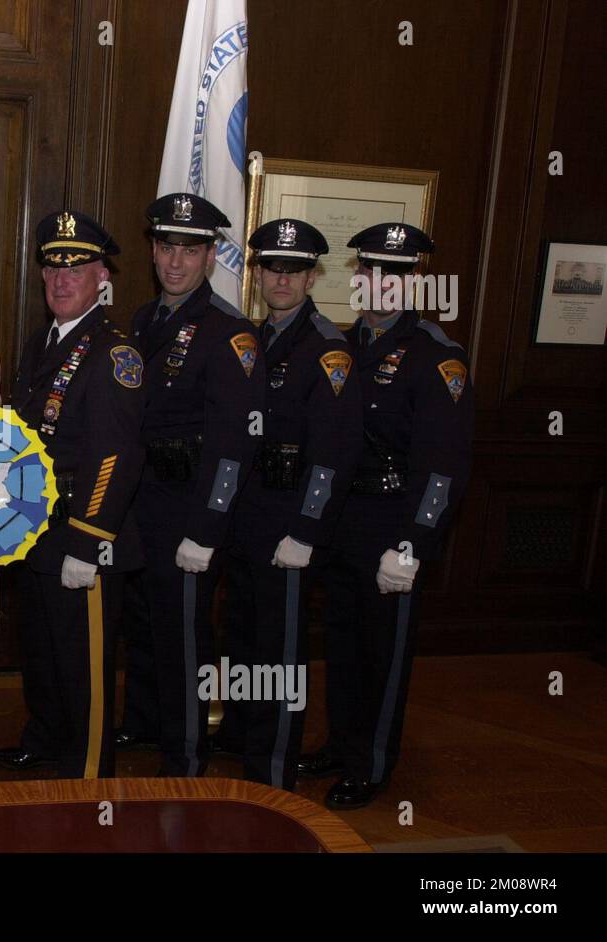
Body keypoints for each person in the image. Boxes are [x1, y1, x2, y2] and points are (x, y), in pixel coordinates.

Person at [301, 222, 474, 809]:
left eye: (396, 275)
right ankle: (342, 743)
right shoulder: (345, 346)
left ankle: (371, 764)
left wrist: (413, 544)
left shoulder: (436, 357)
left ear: (415, 282)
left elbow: (444, 467)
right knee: (343, 644)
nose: (382, 284)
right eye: (372, 270)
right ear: (357, 277)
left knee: (385, 651)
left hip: (392, 522)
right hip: (344, 520)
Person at [0, 210, 145, 779]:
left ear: (102, 276)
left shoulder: (113, 351)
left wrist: (86, 539)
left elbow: (116, 455)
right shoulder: (41, 344)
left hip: (86, 537)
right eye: (52, 267)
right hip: (36, 527)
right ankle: (48, 739)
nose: (61, 279)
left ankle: (86, 773)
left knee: (83, 666)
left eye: (76, 268)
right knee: (44, 652)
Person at [219, 219, 362, 791]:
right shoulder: (256, 338)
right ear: (257, 274)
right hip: (248, 519)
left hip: (288, 525)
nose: (281, 278)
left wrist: (306, 530)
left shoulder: (327, 348)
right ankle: (247, 738)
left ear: (311, 276)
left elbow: (336, 453)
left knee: (281, 651)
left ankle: (274, 765)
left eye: (294, 269)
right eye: (271, 267)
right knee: (245, 637)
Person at [129, 192, 265, 778]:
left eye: (190, 249)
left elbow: (236, 444)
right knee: (143, 625)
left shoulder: (228, 332)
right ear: (154, 251)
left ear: (212, 256)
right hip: (139, 505)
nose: (175, 261)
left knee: (184, 639)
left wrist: (207, 530)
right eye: (166, 247)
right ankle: (146, 723)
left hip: (188, 511)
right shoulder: (143, 319)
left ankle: (186, 752)